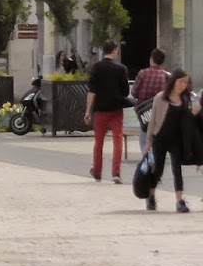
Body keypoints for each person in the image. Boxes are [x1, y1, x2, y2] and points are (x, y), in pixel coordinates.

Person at [141, 69, 201, 212]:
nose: (183, 85)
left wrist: (195, 112)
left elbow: (189, 119)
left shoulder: (187, 99)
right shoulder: (160, 98)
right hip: (160, 138)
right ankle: (151, 196)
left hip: (176, 140)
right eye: (180, 81)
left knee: (177, 169)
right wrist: (148, 141)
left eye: (186, 82)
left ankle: (179, 201)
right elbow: (153, 121)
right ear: (173, 81)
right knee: (158, 169)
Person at [83, 40, 129, 184]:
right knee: (118, 141)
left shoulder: (96, 68)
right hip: (116, 109)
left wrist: (87, 111)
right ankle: (116, 172)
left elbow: (92, 91)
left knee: (99, 142)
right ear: (114, 50)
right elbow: (126, 92)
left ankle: (97, 171)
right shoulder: (121, 69)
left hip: (100, 110)